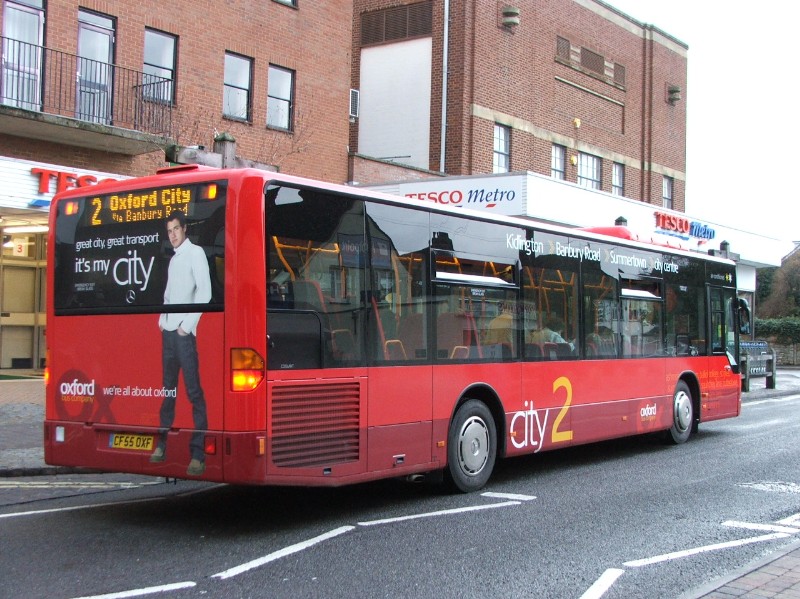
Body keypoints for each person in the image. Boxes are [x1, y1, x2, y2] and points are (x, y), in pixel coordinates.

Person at [150, 210, 212, 477]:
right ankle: (161, 443)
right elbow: (168, 294)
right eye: (169, 231)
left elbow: (205, 292)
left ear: (184, 229)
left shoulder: (195, 253)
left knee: (194, 393)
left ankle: (198, 453)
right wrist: (162, 321)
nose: (173, 235)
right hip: (168, 334)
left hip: (183, 336)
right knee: (168, 391)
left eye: (176, 229)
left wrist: (186, 327)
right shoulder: (174, 259)